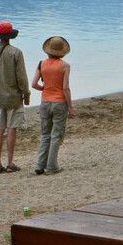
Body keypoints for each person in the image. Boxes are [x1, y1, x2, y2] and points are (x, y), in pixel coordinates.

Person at [0, 20, 29, 174]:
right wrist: (26, 93)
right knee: (12, 129)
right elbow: (21, 77)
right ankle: (10, 163)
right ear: (11, 36)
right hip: (14, 98)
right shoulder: (16, 53)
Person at [32, 35, 73, 175]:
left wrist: (45, 89)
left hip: (45, 102)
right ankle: (51, 167)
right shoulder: (65, 66)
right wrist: (71, 108)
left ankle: (40, 165)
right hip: (59, 103)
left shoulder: (41, 64)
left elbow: (34, 84)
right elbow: (65, 88)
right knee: (56, 135)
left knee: (45, 135)